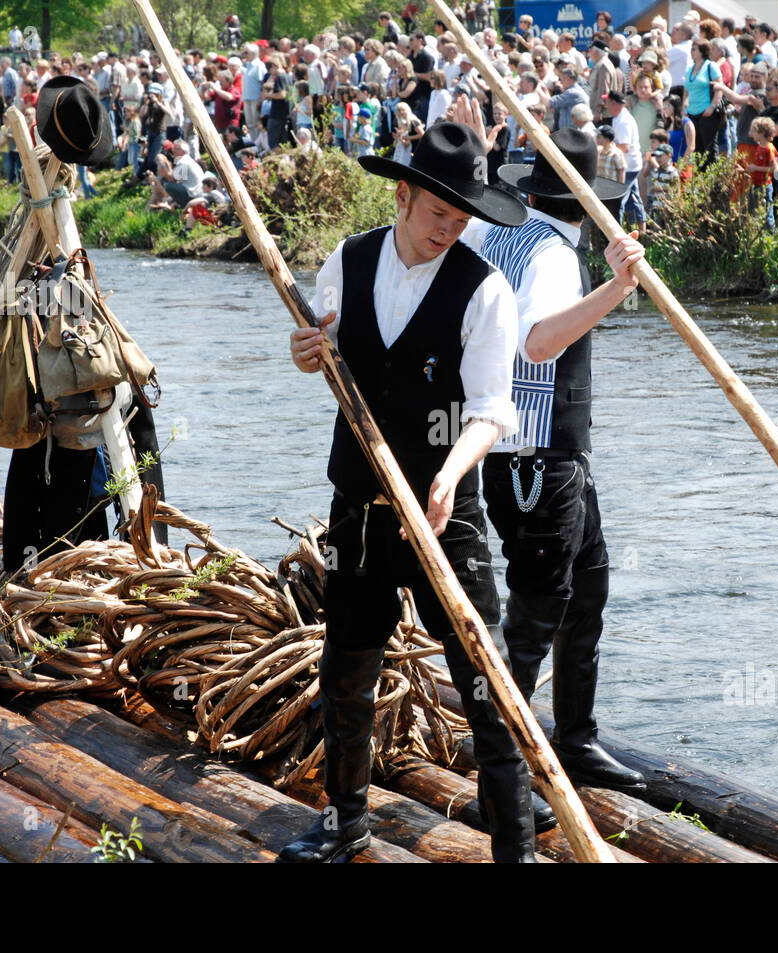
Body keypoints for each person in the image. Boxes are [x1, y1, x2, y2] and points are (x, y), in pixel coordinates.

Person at [279, 122, 537, 864]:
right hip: (360, 507)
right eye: (437, 215)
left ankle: (514, 849)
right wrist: (304, 353)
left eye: (461, 221)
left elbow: (492, 408)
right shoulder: (349, 260)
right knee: (347, 672)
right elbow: (317, 353)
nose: (448, 231)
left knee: (487, 685)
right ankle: (344, 822)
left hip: (442, 510)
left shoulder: (482, 289)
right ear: (403, 193)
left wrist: (451, 475)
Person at [463, 126, 646, 797]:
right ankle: (501, 775)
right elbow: (538, 343)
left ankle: (576, 738)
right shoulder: (552, 255)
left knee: (588, 583)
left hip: (538, 454)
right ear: (584, 204)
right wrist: (616, 291)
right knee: (536, 617)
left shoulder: (495, 234)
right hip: (536, 455)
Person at [603, 90, 644, 227]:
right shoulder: (618, 118)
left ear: (614, 103)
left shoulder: (623, 121)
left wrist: (607, 146)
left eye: (607, 102)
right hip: (629, 165)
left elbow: (625, 147)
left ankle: (617, 234)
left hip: (628, 166)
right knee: (634, 199)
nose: (605, 105)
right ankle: (642, 231)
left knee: (619, 200)